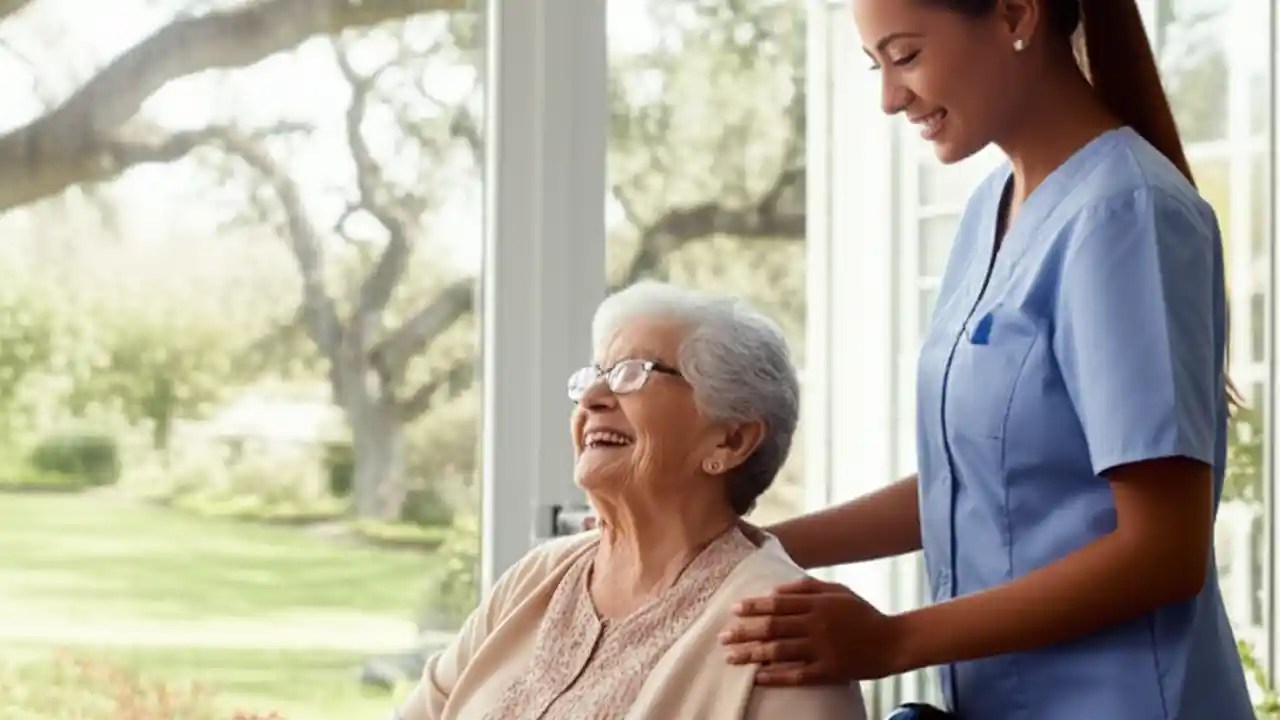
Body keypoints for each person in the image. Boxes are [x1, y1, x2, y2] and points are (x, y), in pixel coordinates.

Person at [718, 0, 1255, 718]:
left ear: (1012, 15)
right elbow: (974, 484)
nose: (888, 98)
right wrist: (748, 548)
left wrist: (892, 641)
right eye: (875, 65)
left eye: (905, 56)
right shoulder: (990, 210)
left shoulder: (1125, 214)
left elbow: (1163, 551)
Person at [391, 281, 865, 720]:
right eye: (594, 375)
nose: (593, 397)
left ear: (731, 440)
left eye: (632, 374)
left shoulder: (786, 628)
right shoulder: (539, 577)